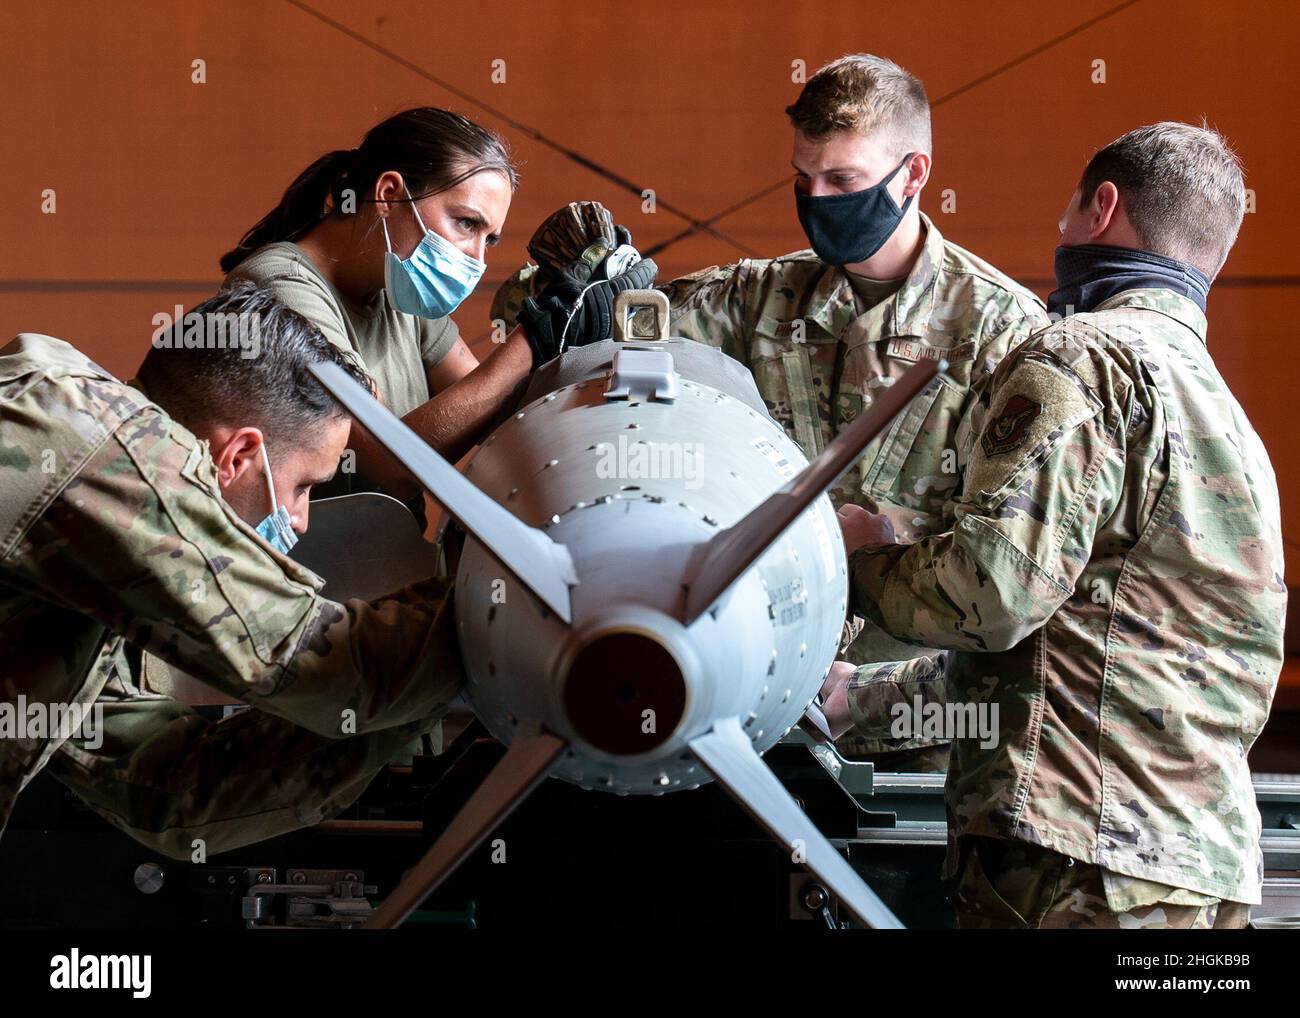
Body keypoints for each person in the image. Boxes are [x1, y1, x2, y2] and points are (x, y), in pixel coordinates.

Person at [494, 55, 1048, 770]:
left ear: (913, 174)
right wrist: (587, 279)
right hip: (752, 716)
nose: (817, 199)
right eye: (802, 178)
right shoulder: (762, 301)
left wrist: (877, 546)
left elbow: (1014, 575)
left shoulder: (1007, 334)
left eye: (842, 181)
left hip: (913, 736)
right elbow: (572, 329)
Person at [833, 122, 1285, 928]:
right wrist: (861, 701)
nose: (1059, 234)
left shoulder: (1082, 356)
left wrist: (860, 559)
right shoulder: (1233, 427)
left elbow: (993, 594)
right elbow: (1078, 655)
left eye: (1067, 212)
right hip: (1197, 877)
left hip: (1077, 868)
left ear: (1102, 207)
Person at [0, 282, 466, 858]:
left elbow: (165, 790)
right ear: (239, 456)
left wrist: (409, 703)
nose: (299, 522)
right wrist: (497, 610)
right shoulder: (90, 444)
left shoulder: (87, 556)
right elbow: (321, 664)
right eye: (302, 487)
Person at [222, 107, 654, 498]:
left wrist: (577, 324)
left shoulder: (396, 284)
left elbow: (499, 406)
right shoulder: (279, 289)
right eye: (466, 223)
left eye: (491, 239)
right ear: (389, 194)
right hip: (304, 573)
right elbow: (393, 462)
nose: (478, 258)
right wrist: (536, 337)